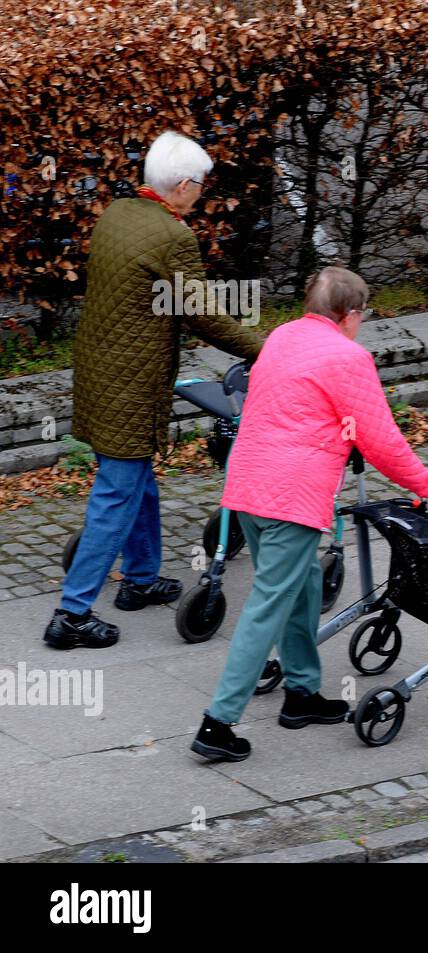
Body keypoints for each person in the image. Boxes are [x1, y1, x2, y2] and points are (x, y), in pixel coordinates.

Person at [191, 266, 428, 762]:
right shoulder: (348, 356)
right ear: (352, 314)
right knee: (267, 604)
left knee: (303, 587)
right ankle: (217, 724)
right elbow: (382, 441)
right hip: (291, 498)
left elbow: (296, 406)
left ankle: (302, 694)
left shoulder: (281, 336)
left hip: (248, 484)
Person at [45, 131, 264, 651]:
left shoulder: (117, 214)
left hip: (99, 370)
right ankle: (71, 615)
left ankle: (140, 581)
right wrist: (266, 348)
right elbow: (202, 313)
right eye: (201, 185)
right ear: (184, 185)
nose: (202, 194)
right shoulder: (172, 237)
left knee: (136, 479)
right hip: (130, 383)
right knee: (117, 492)